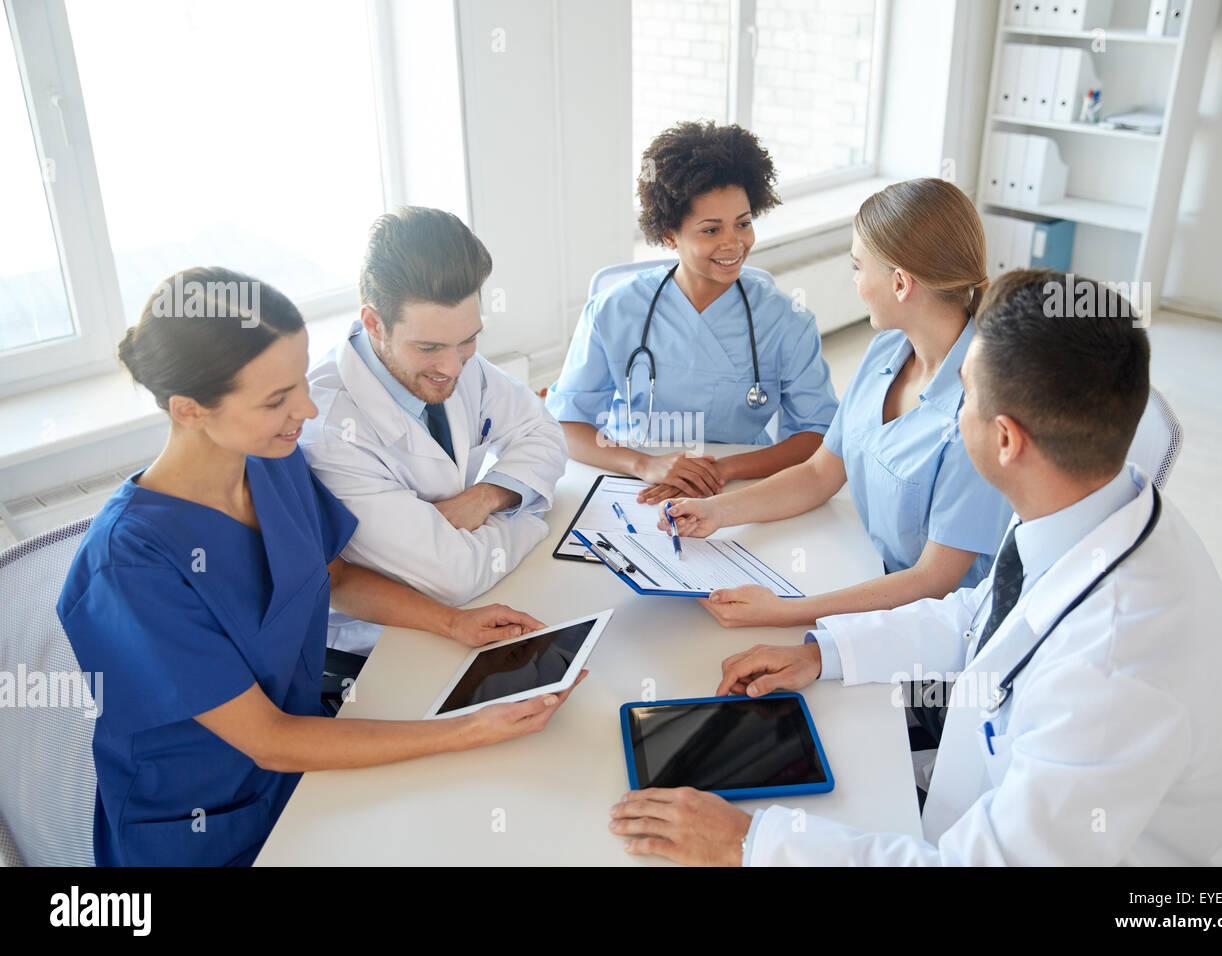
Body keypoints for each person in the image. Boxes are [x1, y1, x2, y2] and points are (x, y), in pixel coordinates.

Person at [608, 269, 1222, 866]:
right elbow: (985, 614)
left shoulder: (1113, 674)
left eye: (965, 395)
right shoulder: (1087, 495)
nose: (951, 408)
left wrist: (753, 845)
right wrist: (824, 652)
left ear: (1006, 440)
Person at [58, 269, 581, 867]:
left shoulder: (271, 463)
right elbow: (268, 740)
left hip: (314, 770)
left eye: (300, 382)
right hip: (203, 827)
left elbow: (335, 578)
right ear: (190, 410)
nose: (306, 409)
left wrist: (450, 624)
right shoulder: (129, 565)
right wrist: (469, 730)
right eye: (276, 400)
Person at [662, 178, 1012, 629]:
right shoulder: (886, 351)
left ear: (901, 283)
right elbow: (820, 473)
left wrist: (789, 612)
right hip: (861, 567)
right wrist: (716, 512)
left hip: (935, 623)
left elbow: (933, 581)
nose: (855, 282)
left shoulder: (978, 411)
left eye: (857, 267)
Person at [300, 207, 568, 655]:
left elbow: (541, 430)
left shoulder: (455, 359)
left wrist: (486, 498)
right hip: (388, 648)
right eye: (429, 347)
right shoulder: (329, 431)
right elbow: (452, 578)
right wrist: (532, 513)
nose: (452, 367)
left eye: (468, 339)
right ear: (373, 324)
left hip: (486, 602)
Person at [544, 121, 839, 506]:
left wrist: (724, 470)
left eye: (744, 224)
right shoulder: (614, 311)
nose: (734, 244)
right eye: (711, 230)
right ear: (670, 235)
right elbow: (566, 424)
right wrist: (644, 464)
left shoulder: (786, 322)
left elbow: (819, 435)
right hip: (629, 480)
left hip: (737, 485)